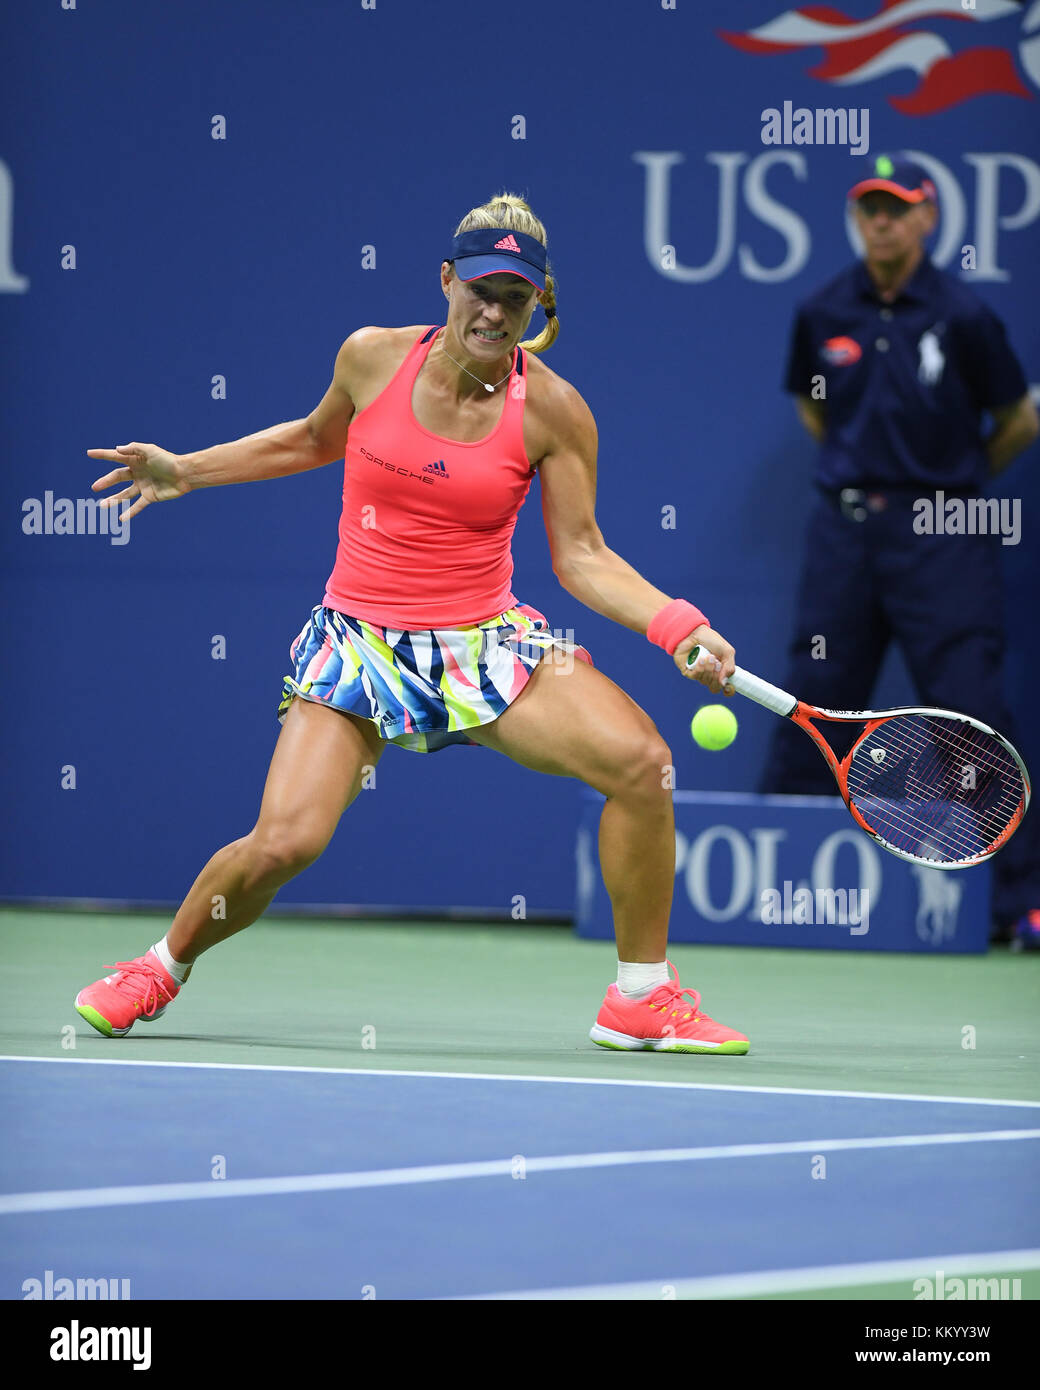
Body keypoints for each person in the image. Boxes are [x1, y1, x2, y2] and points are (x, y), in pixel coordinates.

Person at [74, 193, 750, 1053]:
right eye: (479, 289)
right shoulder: (370, 358)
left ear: (540, 302)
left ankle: (640, 998)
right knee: (285, 843)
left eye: (514, 295)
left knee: (642, 764)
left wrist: (676, 625)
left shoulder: (554, 410)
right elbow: (311, 440)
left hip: (484, 645)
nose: (494, 310)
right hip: (357, 644)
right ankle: (160, 967)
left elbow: (581, 555)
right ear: (445, 281)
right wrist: (187, 470)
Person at [760, 155, 1040, 949]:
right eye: (868, 209)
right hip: (846, 532)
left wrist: (945, 489)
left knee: (971, 714)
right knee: (816, 700)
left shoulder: (967, 317)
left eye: (897, 208)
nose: (881, 222)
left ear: (927, 219)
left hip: (946, 537)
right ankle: (784, 892)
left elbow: (1017, 419)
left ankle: (1015, 903)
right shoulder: (822, 311)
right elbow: (813, 410)